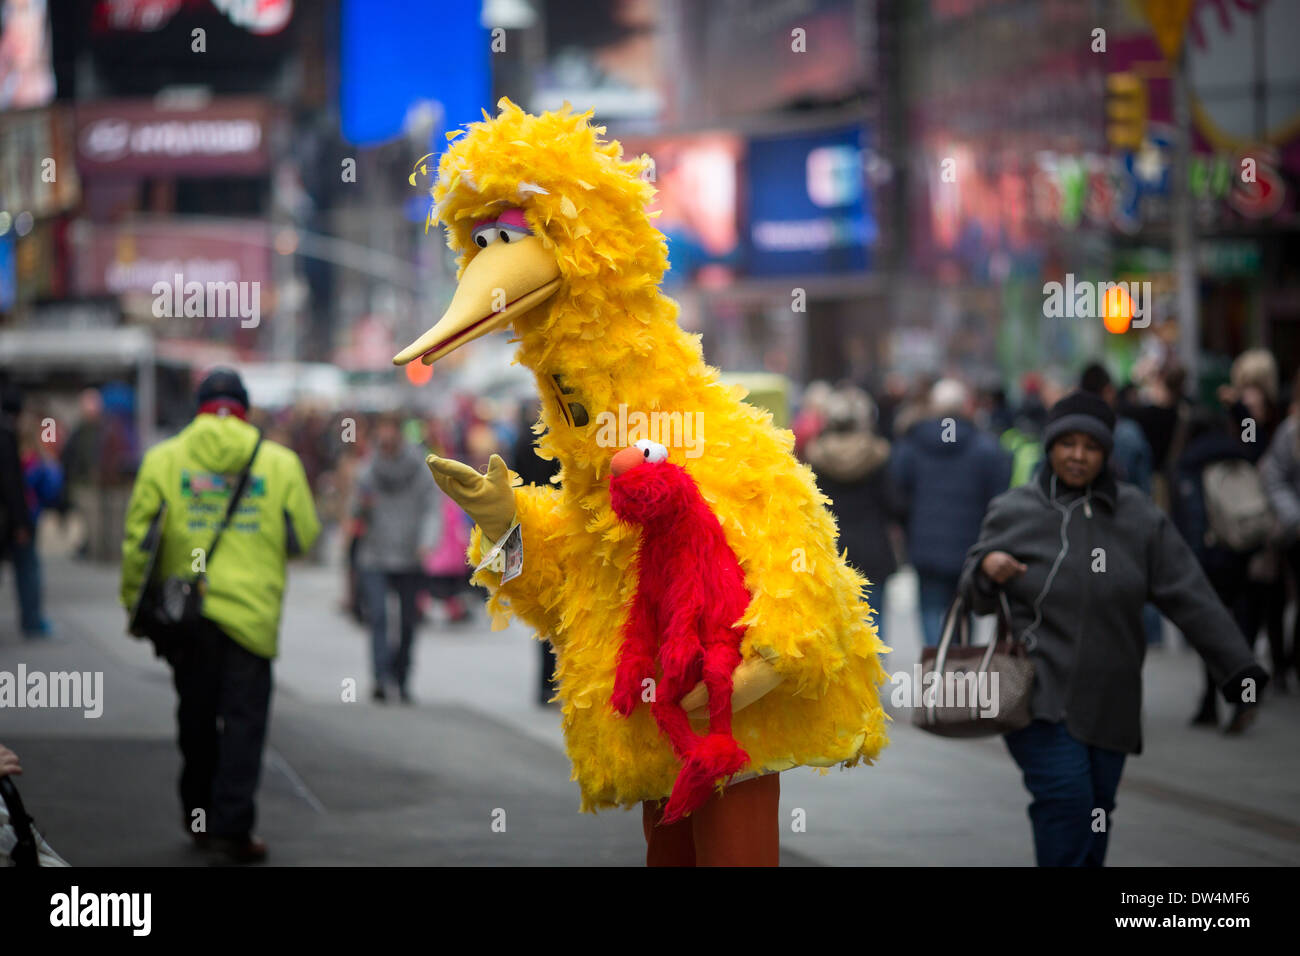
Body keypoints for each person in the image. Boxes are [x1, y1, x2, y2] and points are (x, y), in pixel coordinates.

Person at [959, 391, 1265, 867]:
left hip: (1111, 702)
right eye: (1067, 444)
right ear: (1050, 447)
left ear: (1106, 454)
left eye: (1091, 446)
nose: (1077, 456)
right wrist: (986, 570)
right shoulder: (1015, 509)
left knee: (1098, 812)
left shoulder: (1139, 517)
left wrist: (1239, 667)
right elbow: (973, 594)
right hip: (1035, 699)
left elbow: (1190, 595)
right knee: (1067, 806)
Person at [120, 368, 320, 863]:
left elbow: (137, 544)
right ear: (245, 410)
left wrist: (134, 605)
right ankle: (232, 829)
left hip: (189, 616)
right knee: (244, 724)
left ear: (199, 408)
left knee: (195, 717)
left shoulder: (164, 459)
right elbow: (306, 537)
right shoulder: (279, 463)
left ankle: (198, 819)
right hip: (252, 615)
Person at [892, 378, 1012, 646]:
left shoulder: (912, 444)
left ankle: (937, 670)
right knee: (963, 613)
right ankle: (959, 670)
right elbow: (999, 498)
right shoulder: (987, 448)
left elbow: (897, 494)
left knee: (931, 612)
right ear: (965, 407)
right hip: (970, 548)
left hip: (925, 547)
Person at [353, 412, 438, 704]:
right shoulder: (368, 469)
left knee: (407, 622)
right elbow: (356, 509)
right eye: (382, 441)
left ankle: (401, 678)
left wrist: (426, 542)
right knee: (377, 616)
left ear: (400, 437)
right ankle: (379, 677)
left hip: (410, 553)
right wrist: (358, 509)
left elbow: (431, 508)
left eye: (390, 440)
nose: (385, 447)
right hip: (375, 552)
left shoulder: (420, 468)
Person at [805, 384, 900, 634]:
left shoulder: (816, 457)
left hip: (831, 549)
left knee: (836, 627)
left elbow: (808, 506)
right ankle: (873, 672)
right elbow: (894, 504)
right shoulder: (878, 456)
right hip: (873, 549)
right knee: (873, 624)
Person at [1260, 386, 1300, 692]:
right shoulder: (1286, 432)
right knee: (1271, 597)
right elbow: (1273, 476)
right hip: (1287, 529)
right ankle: (1282, 663)